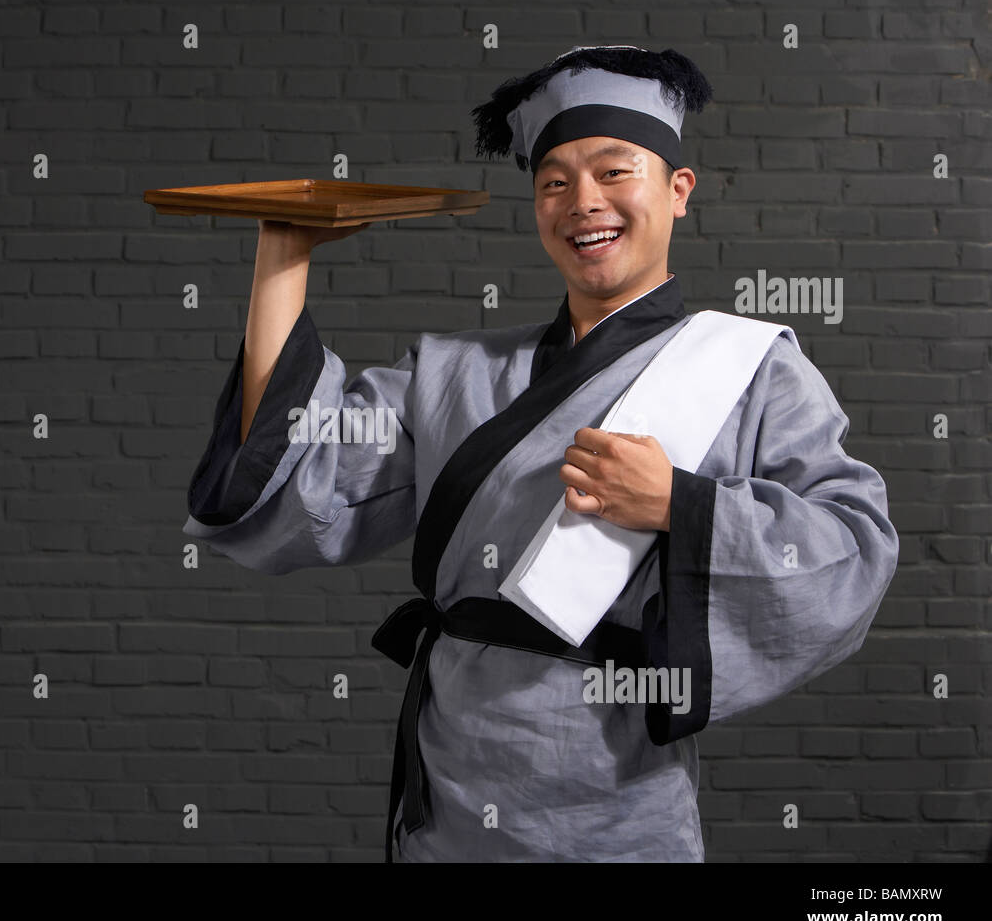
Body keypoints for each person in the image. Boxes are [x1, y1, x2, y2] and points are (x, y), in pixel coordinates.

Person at [181, 46, 899, 862]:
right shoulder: (455, 372)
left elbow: (853, 552)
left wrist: (680, 505)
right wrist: (285, 252)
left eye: (613, 171)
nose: (582, 202)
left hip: (614, 793)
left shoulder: (754, 369)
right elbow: (290, 477)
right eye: (554, 182)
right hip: (448, 781)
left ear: (679, 190)